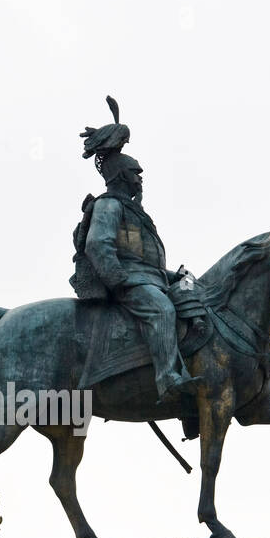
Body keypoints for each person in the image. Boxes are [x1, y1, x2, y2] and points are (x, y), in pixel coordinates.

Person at [71, 97, 202, 402]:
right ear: (121, 175)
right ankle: (167, 378)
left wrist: (176, 276)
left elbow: (148, 262)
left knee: (194, 289)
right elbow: (97, 245)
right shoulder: (108, 205)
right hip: (128, 284)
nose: (140, 178)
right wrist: (120, 280)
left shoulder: (138, 214)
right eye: (136, 173)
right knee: (162, 309)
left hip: (150, 279)